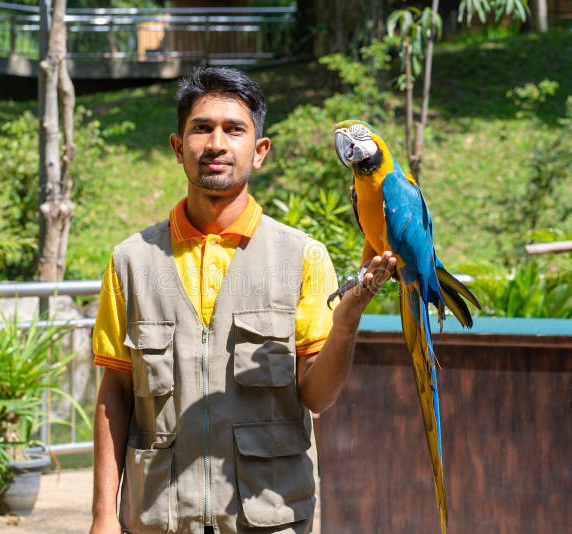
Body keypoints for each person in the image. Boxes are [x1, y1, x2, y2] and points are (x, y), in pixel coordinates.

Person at [90, 66, 396, 534]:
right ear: (178, 148)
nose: (216, 143)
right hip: (158, 518)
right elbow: (114, 394)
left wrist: (347, 322)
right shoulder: (131, 261)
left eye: (234, 130)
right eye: (201, 128)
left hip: (269, 518)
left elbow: (315, 396)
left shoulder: (303, 258)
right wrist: (101, 520)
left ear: (260, 151)